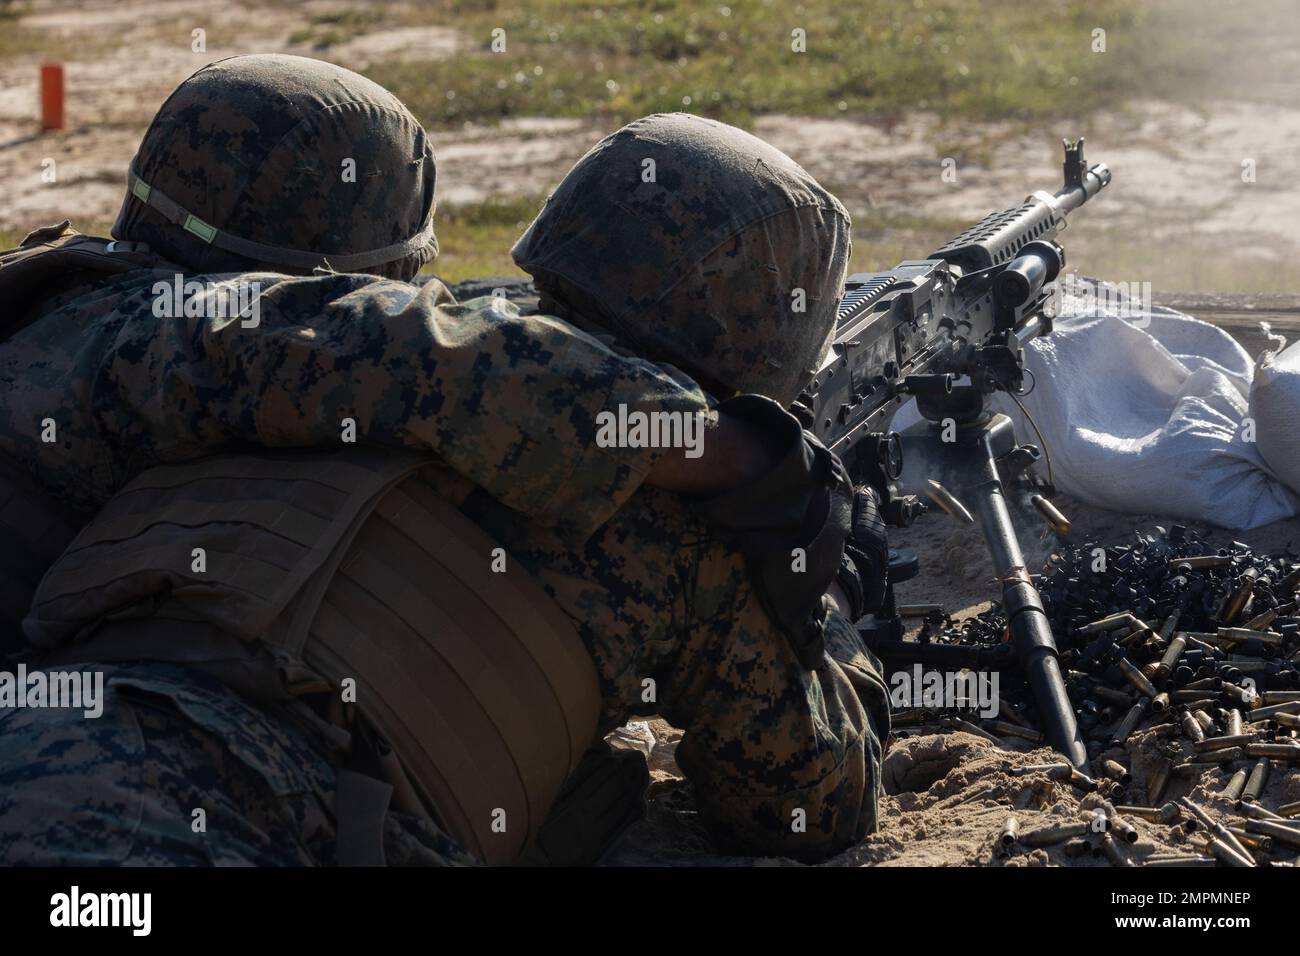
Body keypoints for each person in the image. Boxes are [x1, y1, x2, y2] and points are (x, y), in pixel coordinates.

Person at [3, 97, 889, 864]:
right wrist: (825, 601)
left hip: (37, 742)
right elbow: (807, 800)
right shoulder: (687, 521)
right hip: (246, 823)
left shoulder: (322, 372)